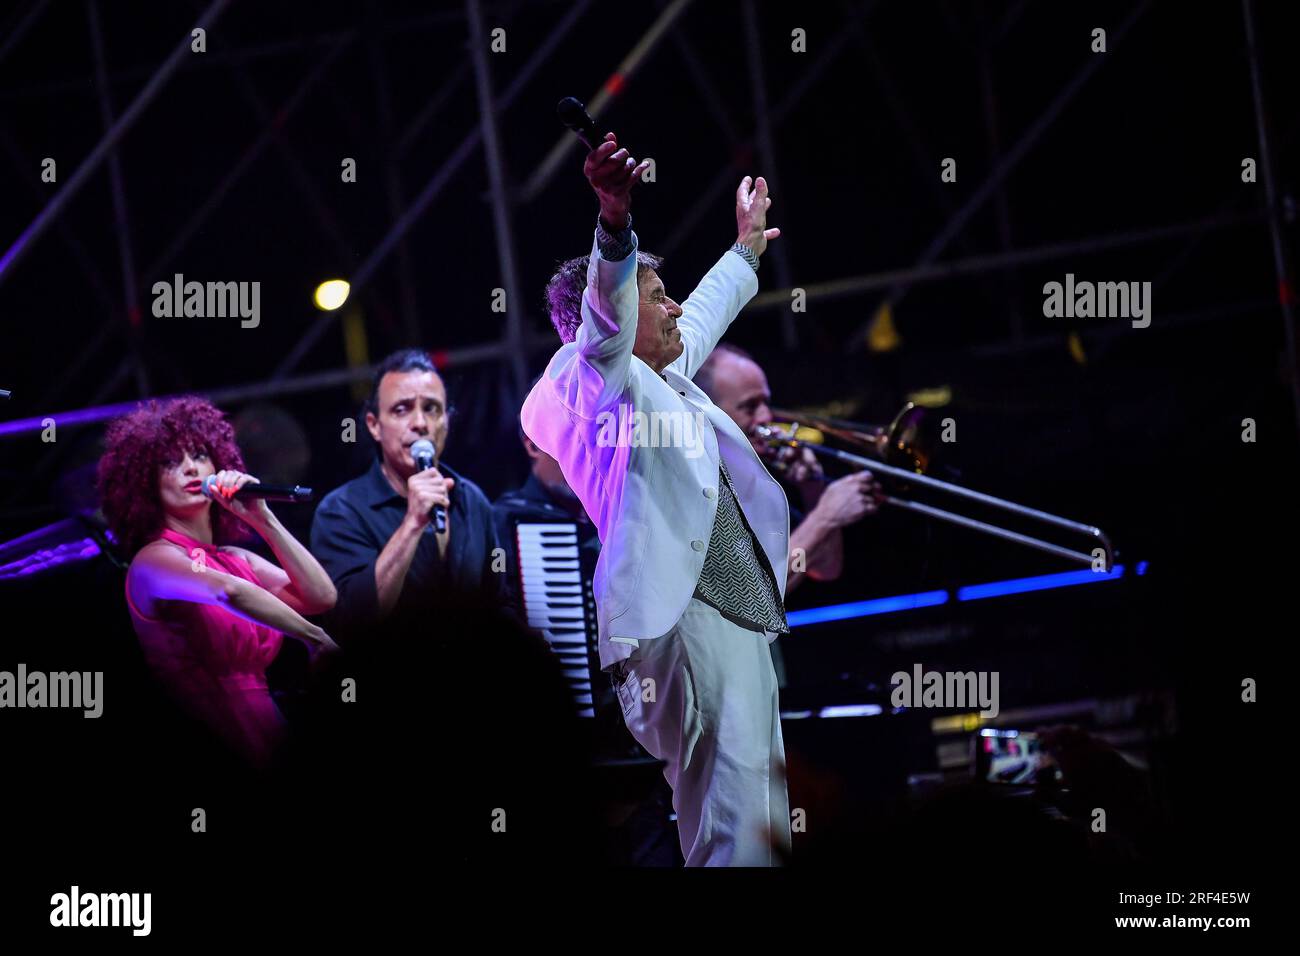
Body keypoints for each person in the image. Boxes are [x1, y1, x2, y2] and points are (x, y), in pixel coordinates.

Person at [521, 130, 789, 865]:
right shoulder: (582, 382)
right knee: (731, 823)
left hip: (732, 616)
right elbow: (608, 319)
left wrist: (744, 252)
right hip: (683, 617)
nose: (672, 306)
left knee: (759, 819)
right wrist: (614, 220)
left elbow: (697, 319)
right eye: (656, 292)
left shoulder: (659, 378)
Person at [98, 396, 338, 767]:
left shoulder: (234, 557)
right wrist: (314, 637)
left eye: (199, 455)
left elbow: (321, 596)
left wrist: (263, 519)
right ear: (144, 482)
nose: (191, 469)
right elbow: (227, 590)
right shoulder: (154, 560)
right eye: (170, 463)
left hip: (267, 724)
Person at [309, 348, 502, 643]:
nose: (420, 423)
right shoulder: (340, 510)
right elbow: (351, 621)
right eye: (402, 410)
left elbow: (499, 601)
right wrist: (412, 523)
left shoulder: (471, 500)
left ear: (446, 421)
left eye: (432, 408)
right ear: (374, 425)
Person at [694, 343, 883, 592]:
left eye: (766, 403)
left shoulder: (756, 483)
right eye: (750, 407)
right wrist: (824, 517)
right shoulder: (697, 488)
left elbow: (825, 567)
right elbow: (748, 592)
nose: (765, 417)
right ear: (707, 412)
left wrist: (812, 488)